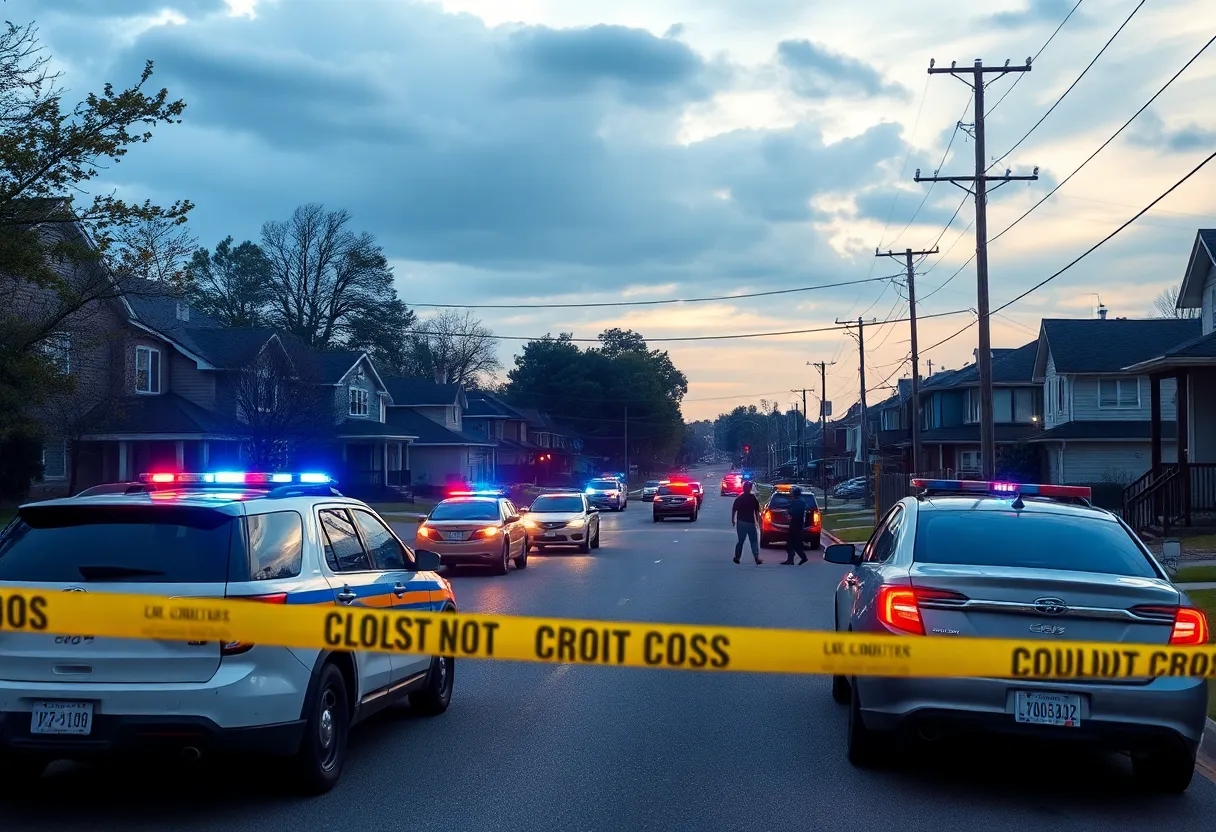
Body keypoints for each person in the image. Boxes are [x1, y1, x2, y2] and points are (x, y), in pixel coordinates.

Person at [730, 481, 763, 565]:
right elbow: (756, 511)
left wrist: (733, 519)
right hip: (750, 523)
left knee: (740, 541)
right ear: (750, 488)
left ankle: (737, 557)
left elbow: (734, 509)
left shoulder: (739, 498)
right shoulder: (753, 498)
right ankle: (756, 558)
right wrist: (758, 522)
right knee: (753, 541)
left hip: (741, 523)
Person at [781, 485, 809, 566]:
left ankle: (793, 559)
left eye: (792, 493)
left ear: (795, 494)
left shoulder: (795, 502)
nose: (791, 495)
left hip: (795, 525)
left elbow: (793, 513)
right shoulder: (802, 502)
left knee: (790, 542)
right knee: (796, 543)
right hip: (800, 525)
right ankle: (798, 557)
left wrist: (787, 513)